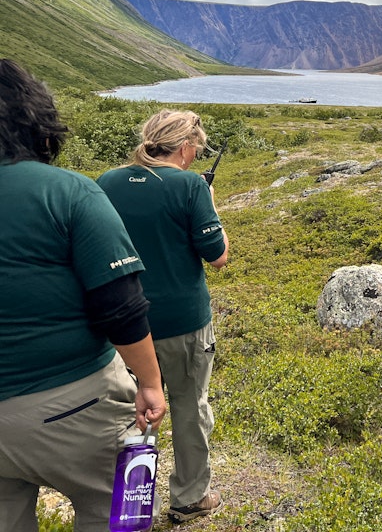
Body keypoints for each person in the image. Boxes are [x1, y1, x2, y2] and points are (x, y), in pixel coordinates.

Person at [0, 59, 166, 532]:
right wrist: (150, 384)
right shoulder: (68, 192)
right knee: (115, 513)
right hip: (72, 403)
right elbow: (122, 306)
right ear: (33, 118)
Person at [97, 109, 229, 524]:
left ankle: (127, 502)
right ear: (187, 148)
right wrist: (208, 201)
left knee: (128, 411)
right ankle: (189, 498)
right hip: (183, 322)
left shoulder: (108, 181)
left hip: (122, 324)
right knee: (189, 408)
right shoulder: (191, 185)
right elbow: (219, 255)